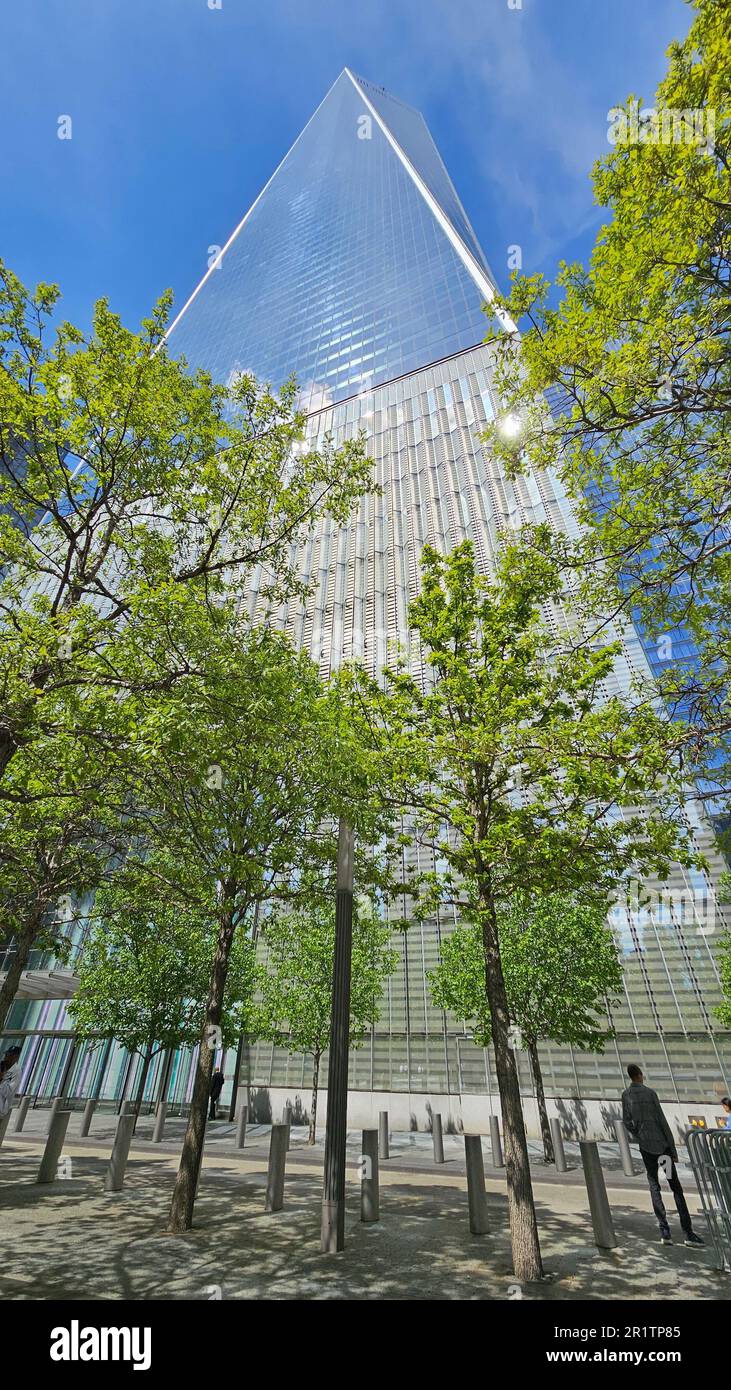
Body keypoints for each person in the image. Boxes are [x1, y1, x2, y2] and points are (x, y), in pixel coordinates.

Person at [622, 1063, 704, 1247]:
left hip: (646, 1148)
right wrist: (672, 1149)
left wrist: (639, 1133)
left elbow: (627, 1121)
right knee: (675, 1187)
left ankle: (665, 1231)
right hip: (661, 1148)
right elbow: (661, 1121)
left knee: (654, 1185)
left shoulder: (626, 1095)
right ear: (640, 1075)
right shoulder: (650, 1094)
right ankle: (688, 1232)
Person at [0, 1046, 22, 1119]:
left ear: (15, 1057)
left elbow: (8, 1092)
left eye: (9, 1055)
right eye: (6, 1054)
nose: (6, 1057)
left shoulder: (16, 1072)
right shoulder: (2, 1067)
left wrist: (1, 1080)